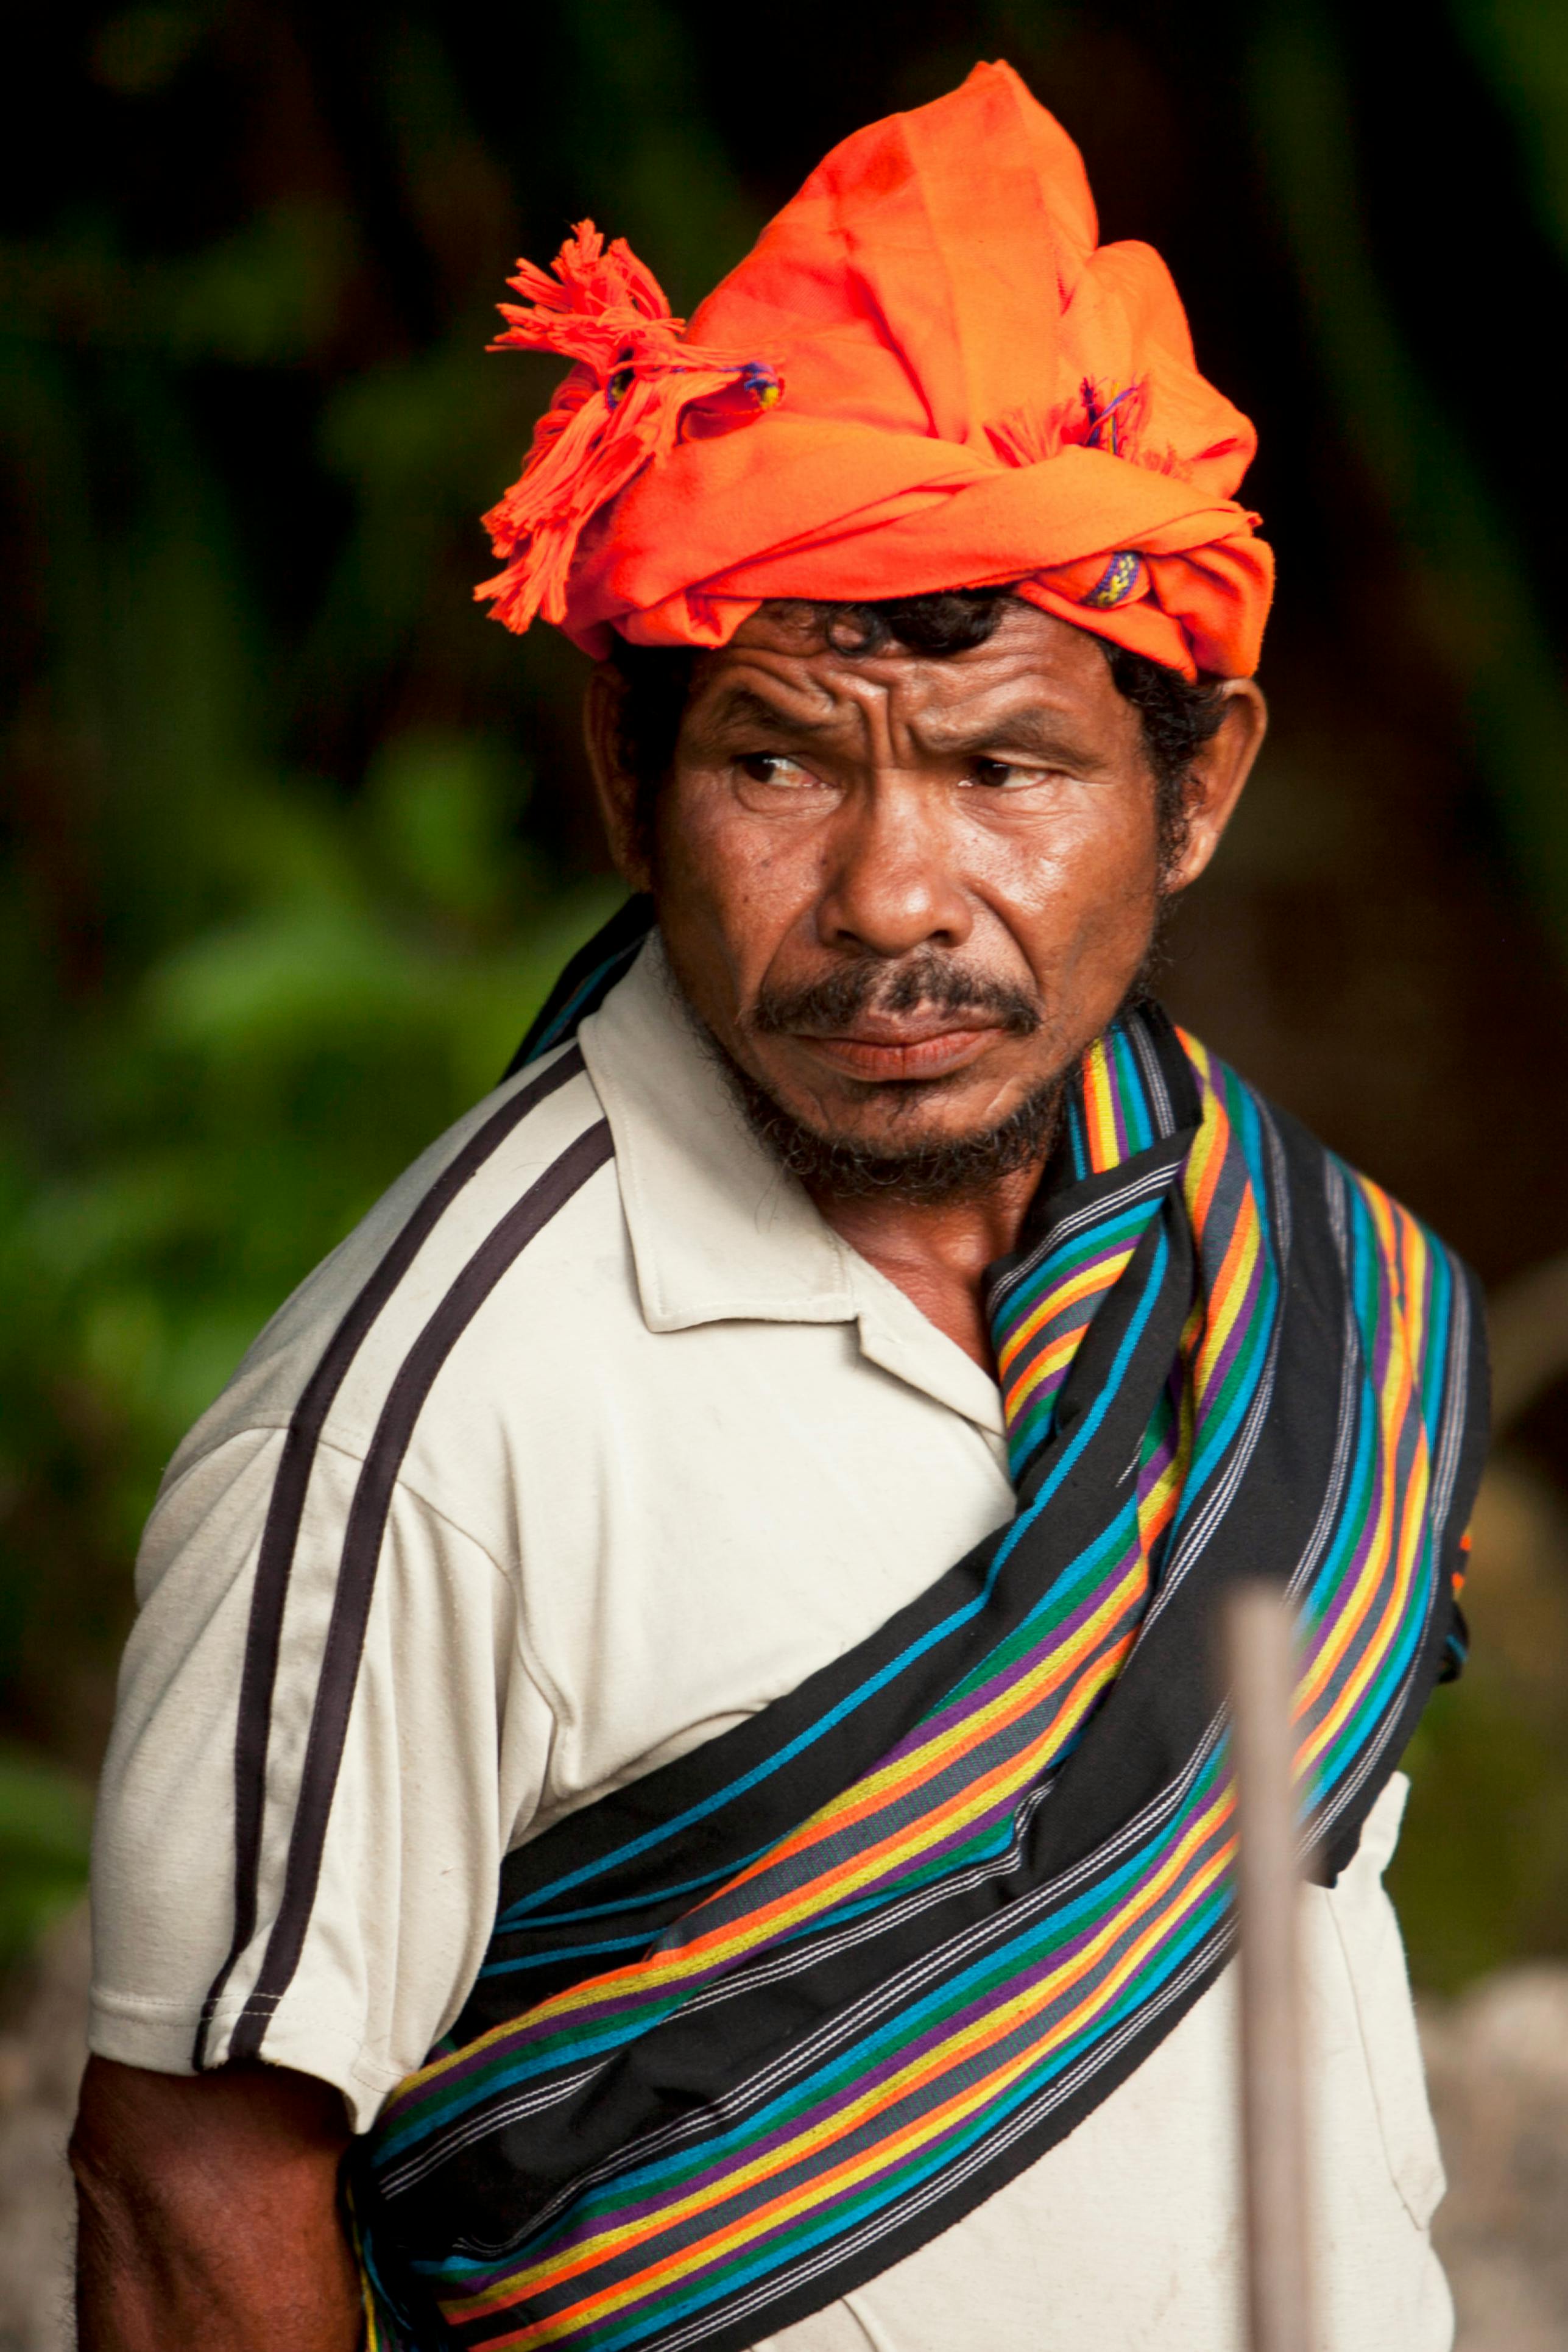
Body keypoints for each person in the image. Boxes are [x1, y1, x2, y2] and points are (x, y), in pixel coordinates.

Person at [70, 61, 1485, 2352]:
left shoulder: (1303, 1274)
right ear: (629, 783)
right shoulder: (426, 1430)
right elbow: (187, 2188)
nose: (891, 896)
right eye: (774, 760)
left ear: (1197, 785)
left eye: (1010, 766)